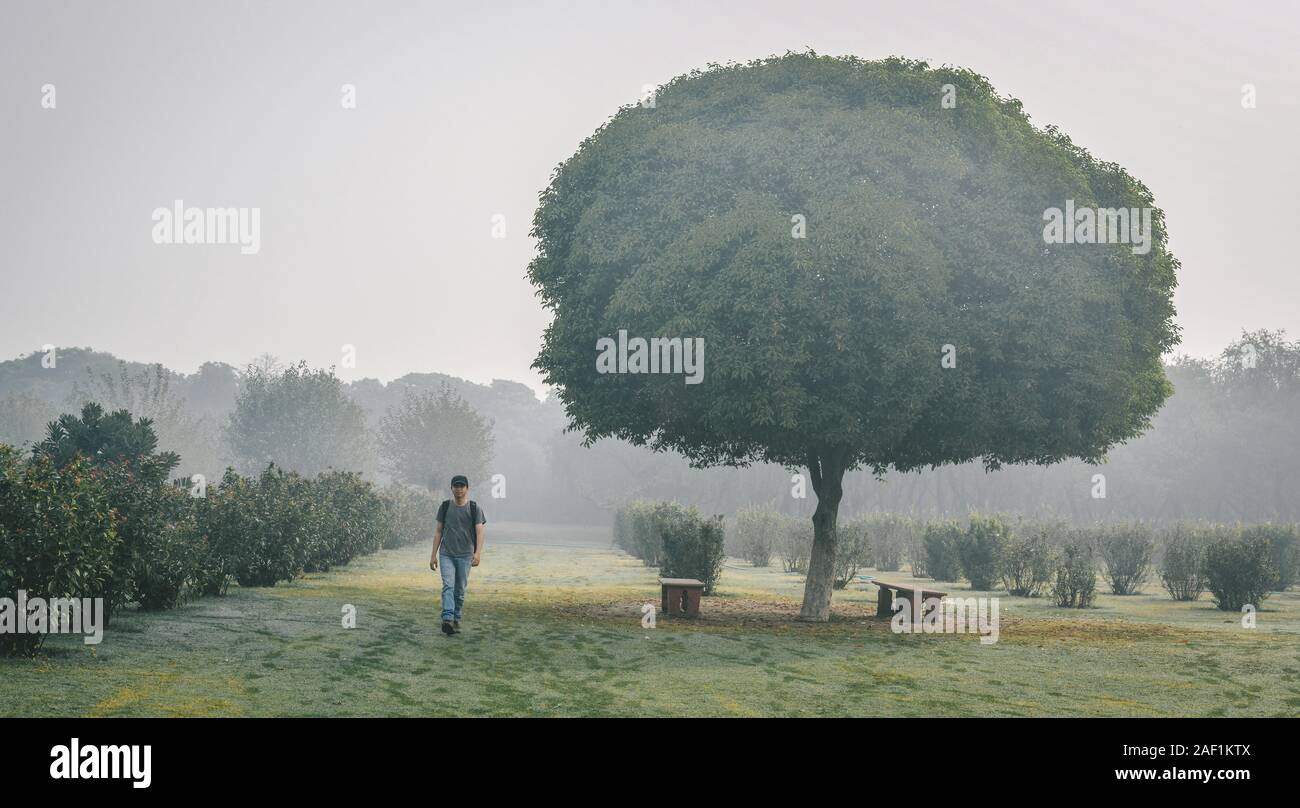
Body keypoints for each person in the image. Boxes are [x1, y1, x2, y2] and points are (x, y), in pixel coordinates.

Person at [429, 475, 485, 635]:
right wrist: (433, 555)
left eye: (462, 486)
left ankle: (456, 618)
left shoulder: (474, 508)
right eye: (456, 486)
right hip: (446, 553)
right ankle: (447, 618)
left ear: (467, 488)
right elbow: (438, 531)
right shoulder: (445, 506)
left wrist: (478, 553)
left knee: (459, 591)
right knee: (448, 585)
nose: (459, 489)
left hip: (465, 555)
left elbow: (480, 532)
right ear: (451, 488)